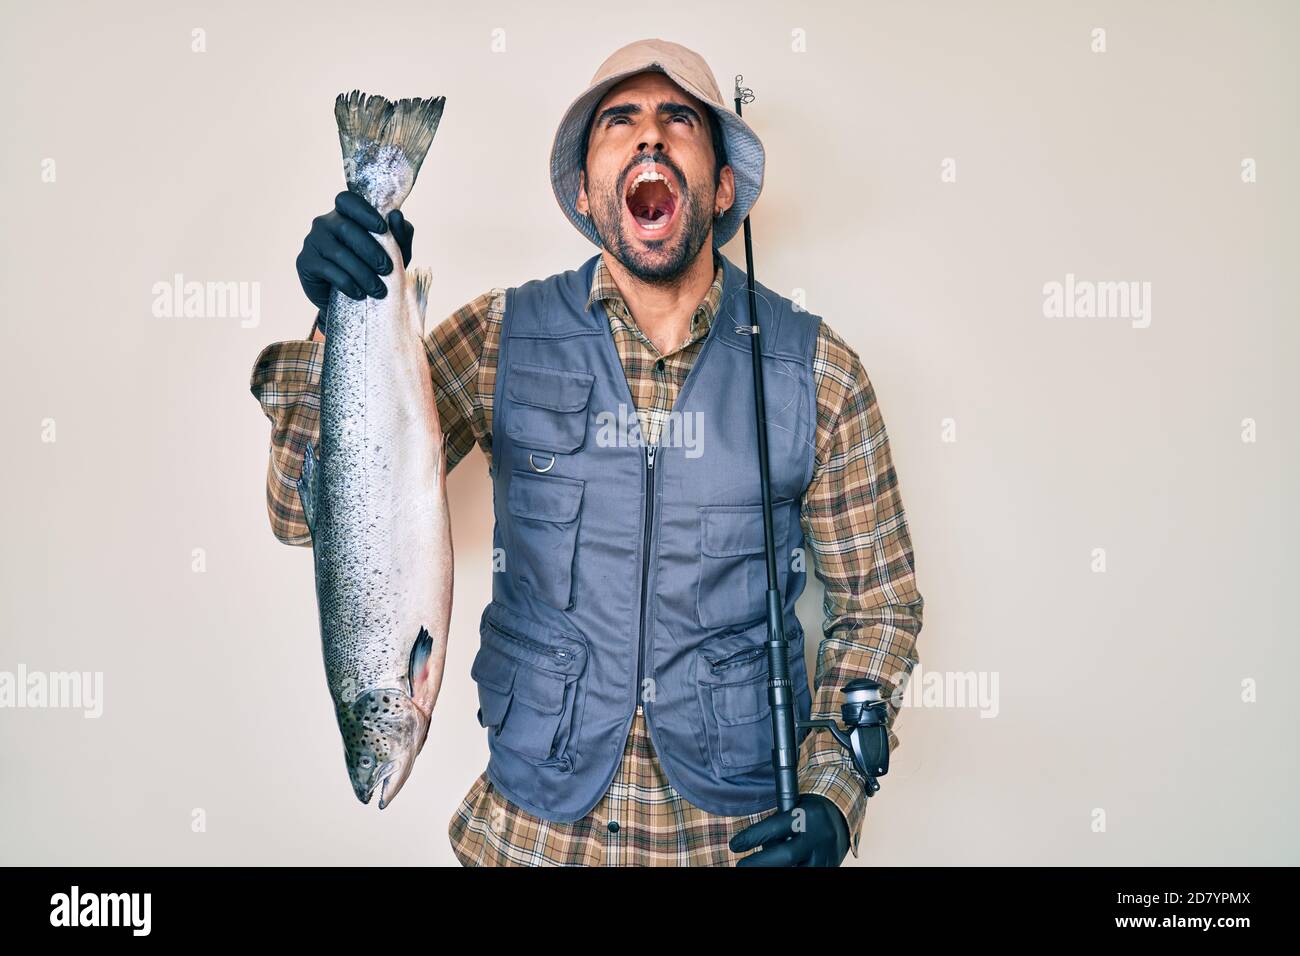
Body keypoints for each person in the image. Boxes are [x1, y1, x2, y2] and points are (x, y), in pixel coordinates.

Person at [251, 37, 924, 866]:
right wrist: (338, 310)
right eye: (620, 121)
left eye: (679, 120)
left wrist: (835, 792)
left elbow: (880, 606)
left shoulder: (819, 373)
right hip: (527, 840)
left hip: (732, 845)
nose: (650, 137)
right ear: (583, 189)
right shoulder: (500, 337)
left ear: (721, 188)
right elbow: (300, 515)